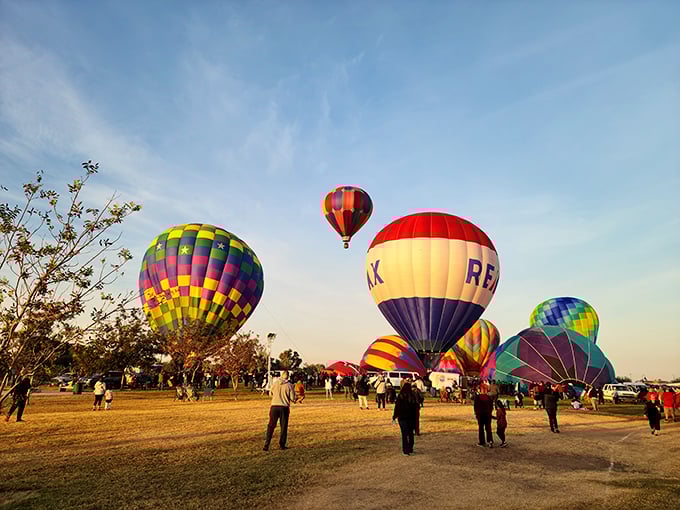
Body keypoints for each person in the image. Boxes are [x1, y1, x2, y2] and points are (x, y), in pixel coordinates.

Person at [263, 370, 295, 451]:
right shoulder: (289, 385)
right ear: (288, 376)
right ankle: (282, 444)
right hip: (284, 407)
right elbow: (292, 398)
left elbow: (271, 393)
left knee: (271, 426)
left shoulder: (275, 383)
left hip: (274, 406)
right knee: (283, 426)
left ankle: (266, 444)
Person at [392, 382, 419, 455]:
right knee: (410, 433)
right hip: (411, 418)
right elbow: (417, 407)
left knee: (404, 434)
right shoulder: (413, 396)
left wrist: (394, 416)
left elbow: (397, 407)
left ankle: (405, 450)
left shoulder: (400, 396)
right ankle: (410, 448)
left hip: (402, 418)